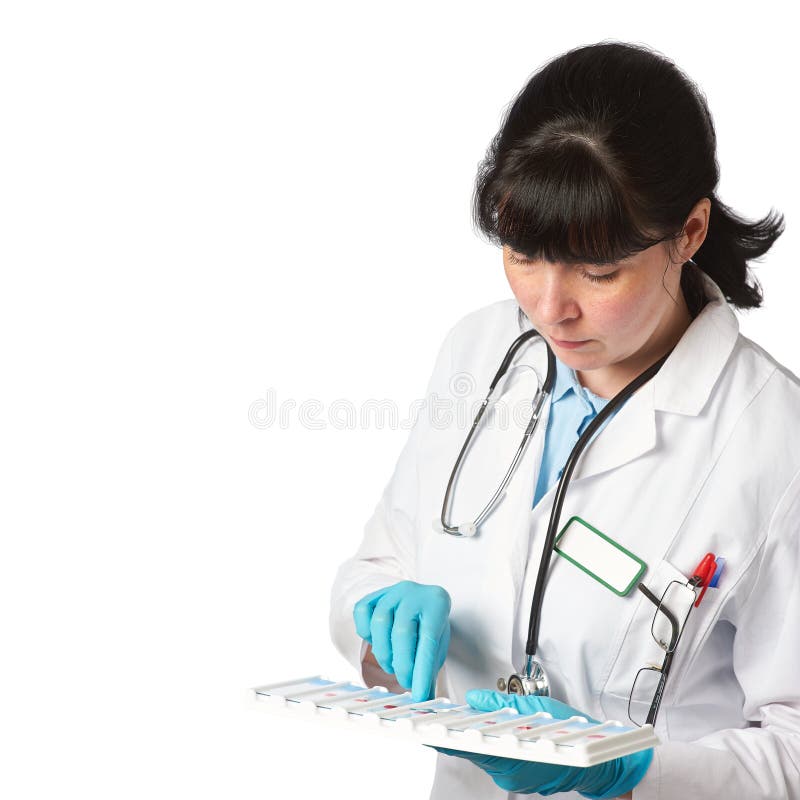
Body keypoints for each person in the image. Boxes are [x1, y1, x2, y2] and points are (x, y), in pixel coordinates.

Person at [329, 40, 797, 799]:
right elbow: (378, 568)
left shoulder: (774, 439)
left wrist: (629, 769)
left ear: (691, 232)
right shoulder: (480, 350)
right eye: (523, 253)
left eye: (599, 270)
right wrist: (380, 624)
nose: (549, 308)